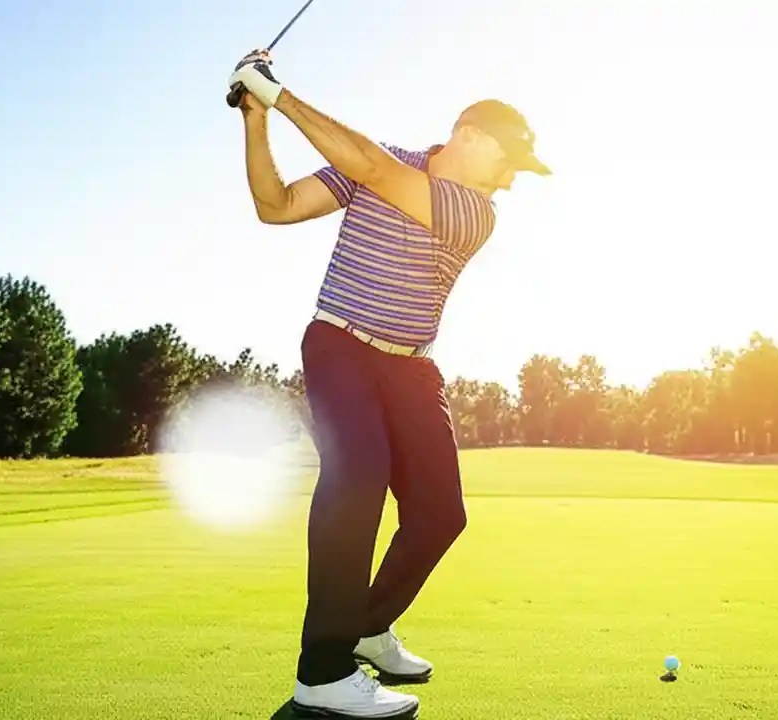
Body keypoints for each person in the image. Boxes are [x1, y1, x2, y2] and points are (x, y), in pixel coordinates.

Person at [228, 50, 551, 719]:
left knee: (441, 514)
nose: (511, 181)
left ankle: (368, 626)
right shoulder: (379, 161)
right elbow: (277, 205)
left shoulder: (476, 211)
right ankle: (322, 673)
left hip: (410, 368)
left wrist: (278, 93)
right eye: (507, 161)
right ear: (469, 135)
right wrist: (256, 118)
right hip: (340, 345)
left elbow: (371, 166)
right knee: (359, 474)